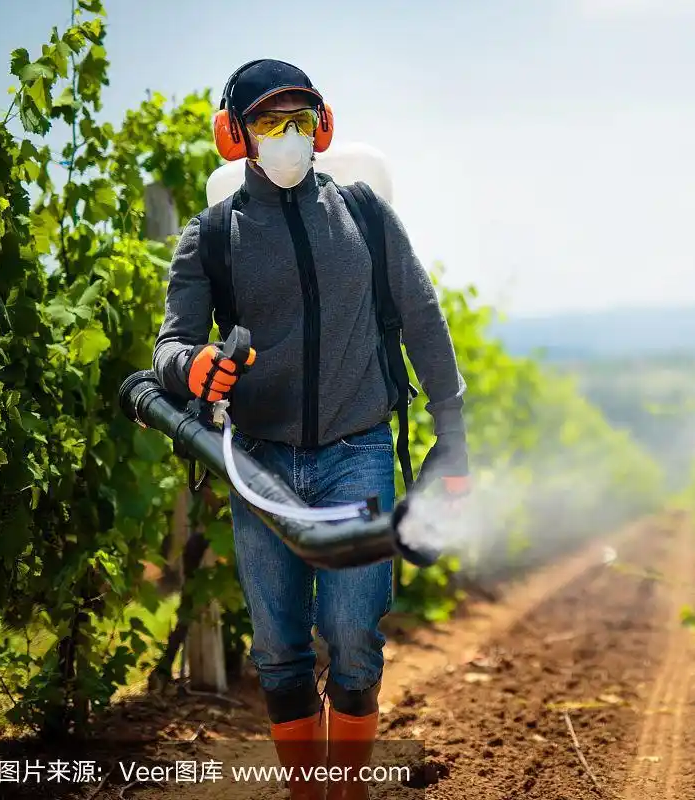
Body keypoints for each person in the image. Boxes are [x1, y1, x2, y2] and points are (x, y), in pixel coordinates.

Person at [152, 59, 469, 800]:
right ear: (237, 136)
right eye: (270, 122)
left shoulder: (364, 214)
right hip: (259, 464)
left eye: (300, 120)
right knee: (278, 650)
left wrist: (451, 435)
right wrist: (192, 369)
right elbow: (169, 349)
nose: (289, 137)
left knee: (356, 635)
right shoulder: (212, 236)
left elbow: (424, 321)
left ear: (321, 127)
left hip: (356, 453)